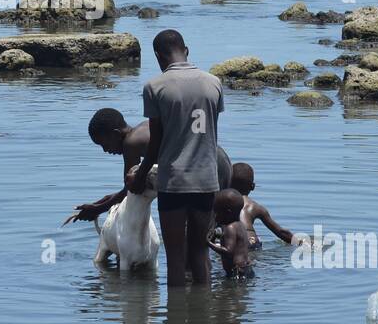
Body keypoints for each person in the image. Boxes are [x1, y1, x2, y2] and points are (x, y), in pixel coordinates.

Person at [129, 29, 224, 286]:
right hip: (206, 179)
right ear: (187, 50)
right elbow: (210, 131)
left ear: (159, 56)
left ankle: (175, 320)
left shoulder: (154, 87)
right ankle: (203, 317)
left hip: (173, 182)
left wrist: (141, 174)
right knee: (200, 252)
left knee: (175, 258)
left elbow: (156, 140)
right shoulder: (213, 82)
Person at [63, 109, 230, 226]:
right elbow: (128, 189)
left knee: (200, 233)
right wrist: (103, 202)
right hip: (218, 157)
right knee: (221, 222)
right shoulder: (142, 128)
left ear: (115, 134)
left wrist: (98, 210)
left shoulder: (131, 143)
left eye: (105, 144)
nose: (106, 150)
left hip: (208, 165)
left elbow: (131, 189)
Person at [224, 163, 299, 249]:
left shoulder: (223, 203)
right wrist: (300, 242)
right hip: (251, 240)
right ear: (253, 186)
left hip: (232, 241)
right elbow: (281, 232)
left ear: (228, 183)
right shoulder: (254, 207)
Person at [207, 192, 253, 279]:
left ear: (228, 213)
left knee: (232, 292)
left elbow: (228, 251)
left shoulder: (230, 228)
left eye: (217, 213)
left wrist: (208, 243)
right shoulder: (240, 225)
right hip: (247, 267)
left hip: (237, 272)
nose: (215, 217)